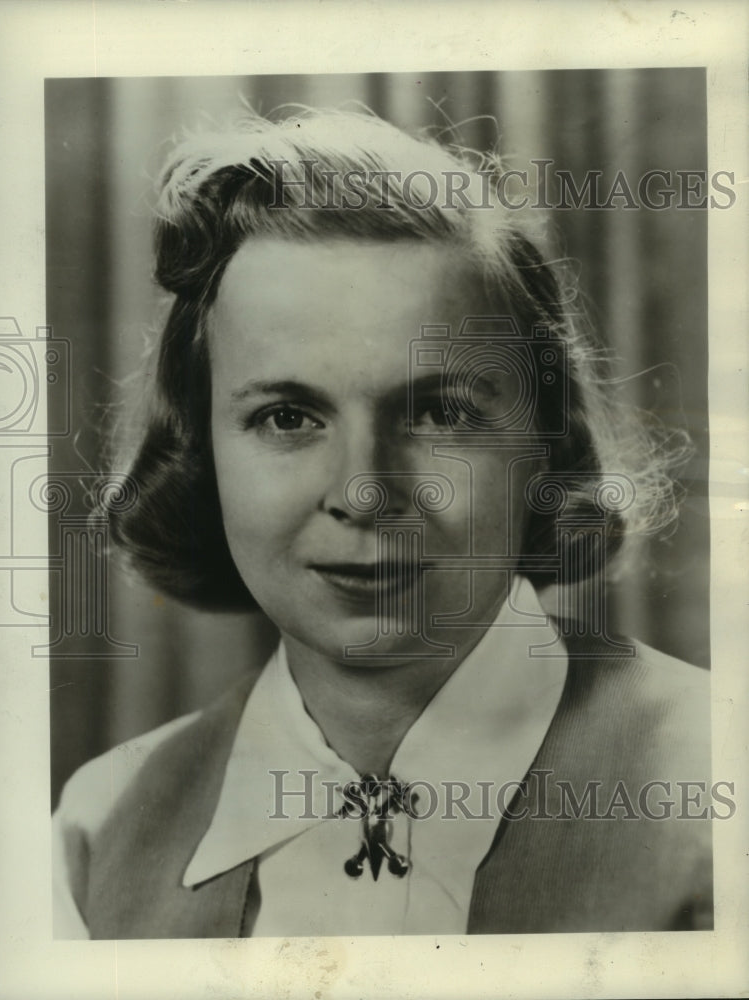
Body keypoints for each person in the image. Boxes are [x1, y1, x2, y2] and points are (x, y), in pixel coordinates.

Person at [51, 108, 712, 938]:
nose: (363, 494)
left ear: (540, 447)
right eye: (288, 417)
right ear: (200, 452)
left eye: (438, 413)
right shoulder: (99, 828)